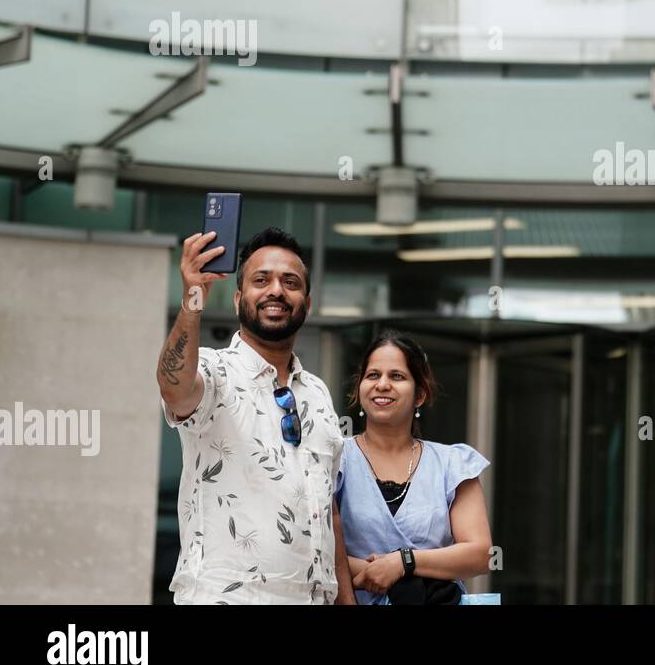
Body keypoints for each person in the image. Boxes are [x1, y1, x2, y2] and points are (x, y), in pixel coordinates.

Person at [156, 226, 355, 604]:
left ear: (306, 305)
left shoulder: (318, 393)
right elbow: (173, 386)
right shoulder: (214, 372)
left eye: (290, 282)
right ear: (237, 300)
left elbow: (328, 511)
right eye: (261, 280)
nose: (276, 290)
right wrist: (192, 298)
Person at [337, 331, 492, 604]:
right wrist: (379, 572)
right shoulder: (334, 458)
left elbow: (480, 554)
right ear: (359, 389)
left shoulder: (451, 464)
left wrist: (404, 563)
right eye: (373, 375)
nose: (382, 384)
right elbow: (312, 548)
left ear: (420, 395)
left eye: (397, 376)